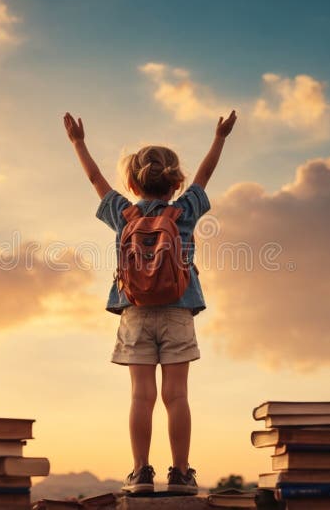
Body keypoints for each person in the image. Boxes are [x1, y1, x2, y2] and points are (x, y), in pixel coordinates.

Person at [63, 109, 237, 494]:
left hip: (134, 311)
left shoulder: (121, 213)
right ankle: (181, 474)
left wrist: (78, 143)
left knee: (141, 396)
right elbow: (205, 175)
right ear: (176, 183)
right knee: (177, 396)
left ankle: (141, 473)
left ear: (131, 182)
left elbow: (94, 179)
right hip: (178, 309)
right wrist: (220, 138)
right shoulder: (185, 210)